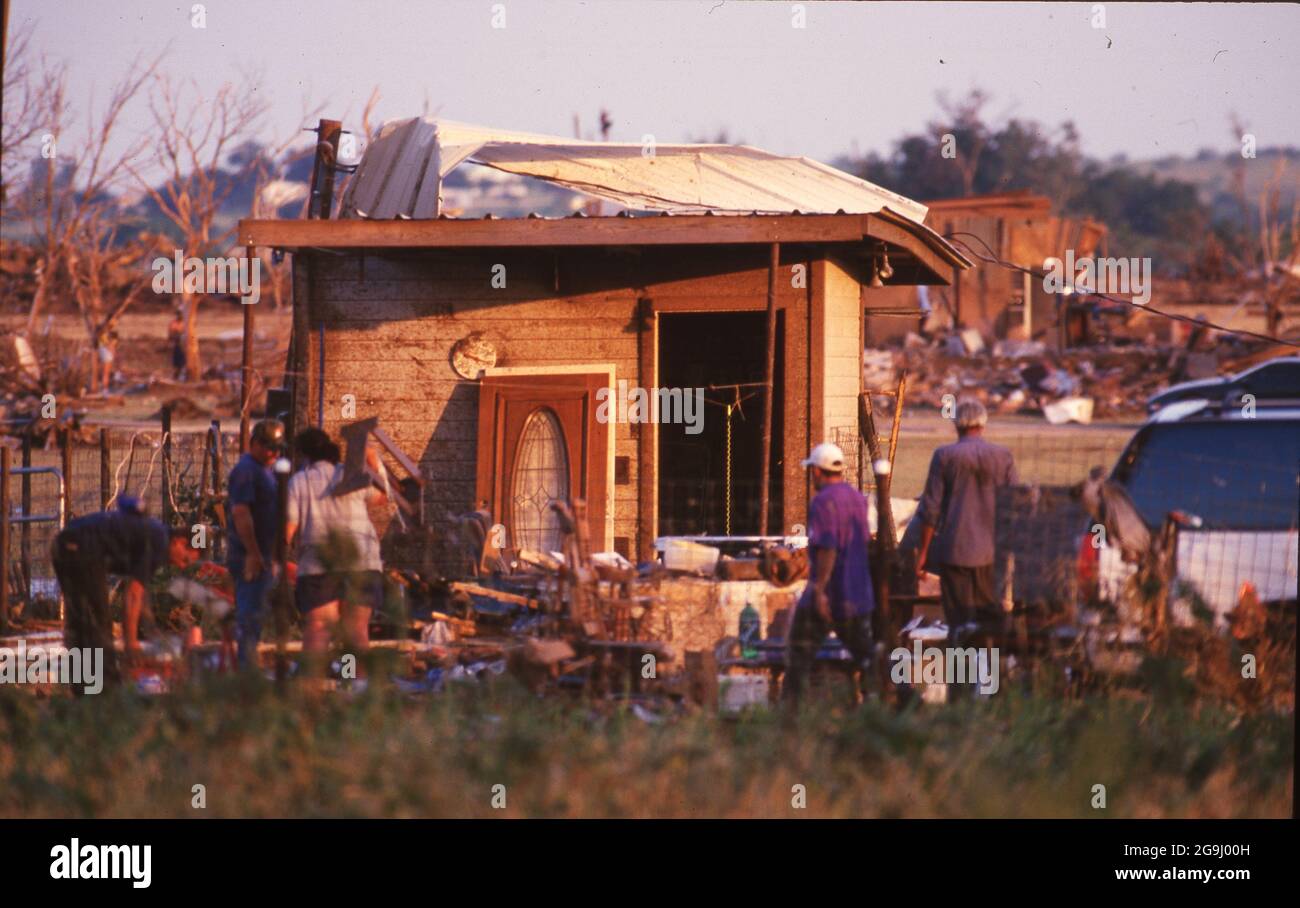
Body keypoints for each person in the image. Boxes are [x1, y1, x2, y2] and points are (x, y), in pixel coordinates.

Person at [52, 498, 198, 688]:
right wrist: (131, 643)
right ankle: (100, 690)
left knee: (83, 620)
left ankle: (85, 687)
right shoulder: (159, 542)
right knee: (96, 622)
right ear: (179, 542)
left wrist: (149, 627)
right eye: (185, 559)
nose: (180, 566)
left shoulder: (154, 533)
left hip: (65, 543)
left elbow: (139, 594)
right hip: (80, 549)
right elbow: (133, 594)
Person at [284, 428, 387, 677]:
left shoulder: (300, 480)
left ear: (305, 456)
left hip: (319, 564)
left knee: (319, 627)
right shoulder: (351, 474)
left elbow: (289, 526)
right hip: (362, 561)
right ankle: (351, 681)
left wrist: (281, 560)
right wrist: (374, 460)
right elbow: (382, 498)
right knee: (356, 631)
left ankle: (314, 686)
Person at [915, 398, 1018, 642]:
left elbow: (931, 509)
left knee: (959, 620)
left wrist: (923, 553)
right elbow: (1014, 504)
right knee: (988, 618)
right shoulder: (1003, 456)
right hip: (991, 553)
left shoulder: (944, 456)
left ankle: (961, 676)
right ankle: (989, 674)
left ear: (957, 425)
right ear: (983, 424)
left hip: (954, 550)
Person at [783, 442, 876, 705]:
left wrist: (820, 590)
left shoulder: (822, 502)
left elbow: (828, 548)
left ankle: (790, 714)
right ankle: (887, 705)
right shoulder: (857, 498)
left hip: (830, 594)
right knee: (866, 657)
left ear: (817, 471)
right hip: (858, 594)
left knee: (798, 655)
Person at [227, 418, 285, 670]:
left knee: (257, 617)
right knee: (249, 618)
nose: (275, 453)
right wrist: (253, 553)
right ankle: (246, 677)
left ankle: (250, 671)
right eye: (270, 447)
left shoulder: (264, 470)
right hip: (251, 557)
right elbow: (241, 512)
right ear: (255, 443)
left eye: (278, 447)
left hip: (263, 556)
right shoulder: (246, 471)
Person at [167, 305, 186, 380]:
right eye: (179, 313)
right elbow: (171, 335)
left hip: (184, 346)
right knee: (177, 364)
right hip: (177, 345)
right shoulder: (173, 323)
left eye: (181, 314)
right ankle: (176, 376)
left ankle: (179, 376)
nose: (180, 315)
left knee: (183, 363)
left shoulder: (186, 323)